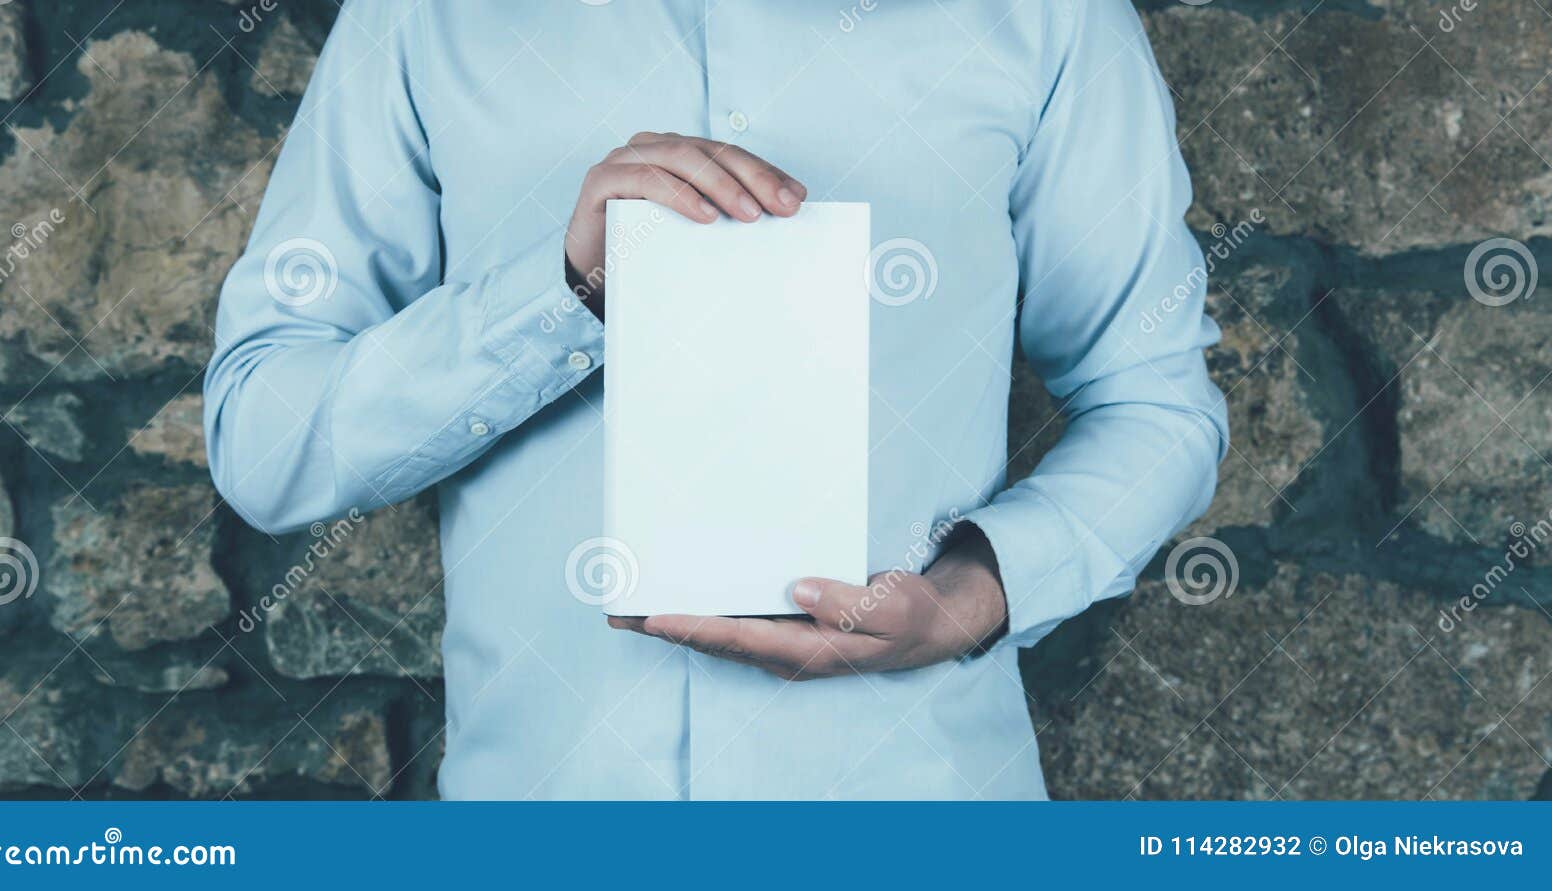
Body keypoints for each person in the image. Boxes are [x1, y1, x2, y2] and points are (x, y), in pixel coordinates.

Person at [205, 0, 1228, 800]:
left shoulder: (1045, 17)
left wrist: (977, 594)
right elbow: (265, 438)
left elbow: (1154, 401)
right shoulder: (425, 17)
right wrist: (558, 294)